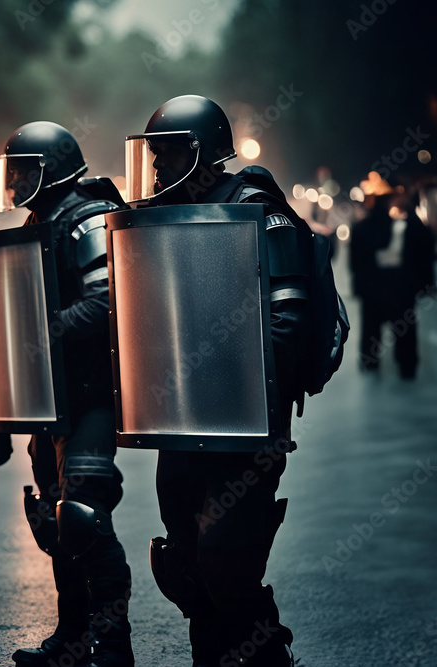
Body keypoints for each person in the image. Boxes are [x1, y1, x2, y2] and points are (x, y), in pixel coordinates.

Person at [127, 95, 309, 666]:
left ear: (199, 153)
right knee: (187, 563)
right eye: (153, 155)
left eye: (167, 154)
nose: (156, 168)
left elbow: (289, 322)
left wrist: (227, 375)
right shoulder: (170, 217)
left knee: (227, 562)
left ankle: (266, 658)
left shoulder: (260, 209)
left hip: (246, 424)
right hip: (185, 420)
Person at [0, 121, 134, 667]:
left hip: (91, 392)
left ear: (51, 170)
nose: (15, 180)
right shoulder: (39, 221)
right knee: (54, 517)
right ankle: (71, 638)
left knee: (83, 515)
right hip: (50, 397)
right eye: (12, 170)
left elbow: (109, 299)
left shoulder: (87, 218)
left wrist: (42, 330)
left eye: (24, 169)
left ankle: (114, 646)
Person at [351, 190, 436, 378]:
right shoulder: (411, 225)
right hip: (399, 286)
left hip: (381, 287)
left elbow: (356, 263)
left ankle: (375, 364)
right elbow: (424, 254)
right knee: (402, 328)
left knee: (374, 329)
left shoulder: (363, 228)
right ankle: (405, 367)